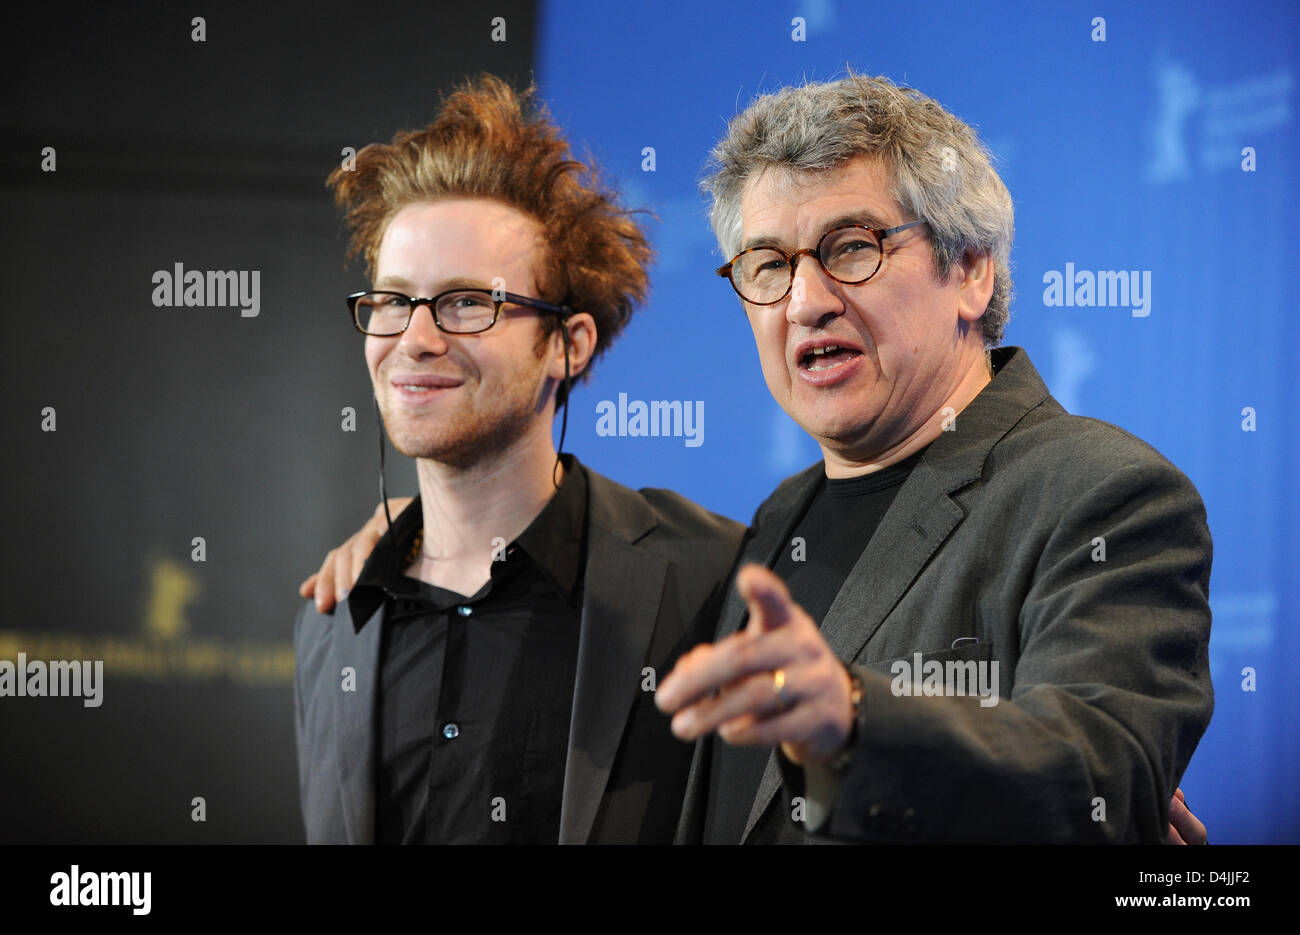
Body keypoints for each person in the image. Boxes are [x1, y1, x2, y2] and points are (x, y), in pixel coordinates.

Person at [304, 74, 1213, 844]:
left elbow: (1104, 765)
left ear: (970, 268)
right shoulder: (775, 527)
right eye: (767, 265)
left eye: (851, 248)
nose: (805, 299)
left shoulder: (1104, 492)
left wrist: (860, 723)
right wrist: (411, 538)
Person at [292, 75, 744, 844]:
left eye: (469, 302)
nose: (416, 337)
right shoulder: (334, 618)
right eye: (394, 299)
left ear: (567, 345)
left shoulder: (707, 579)